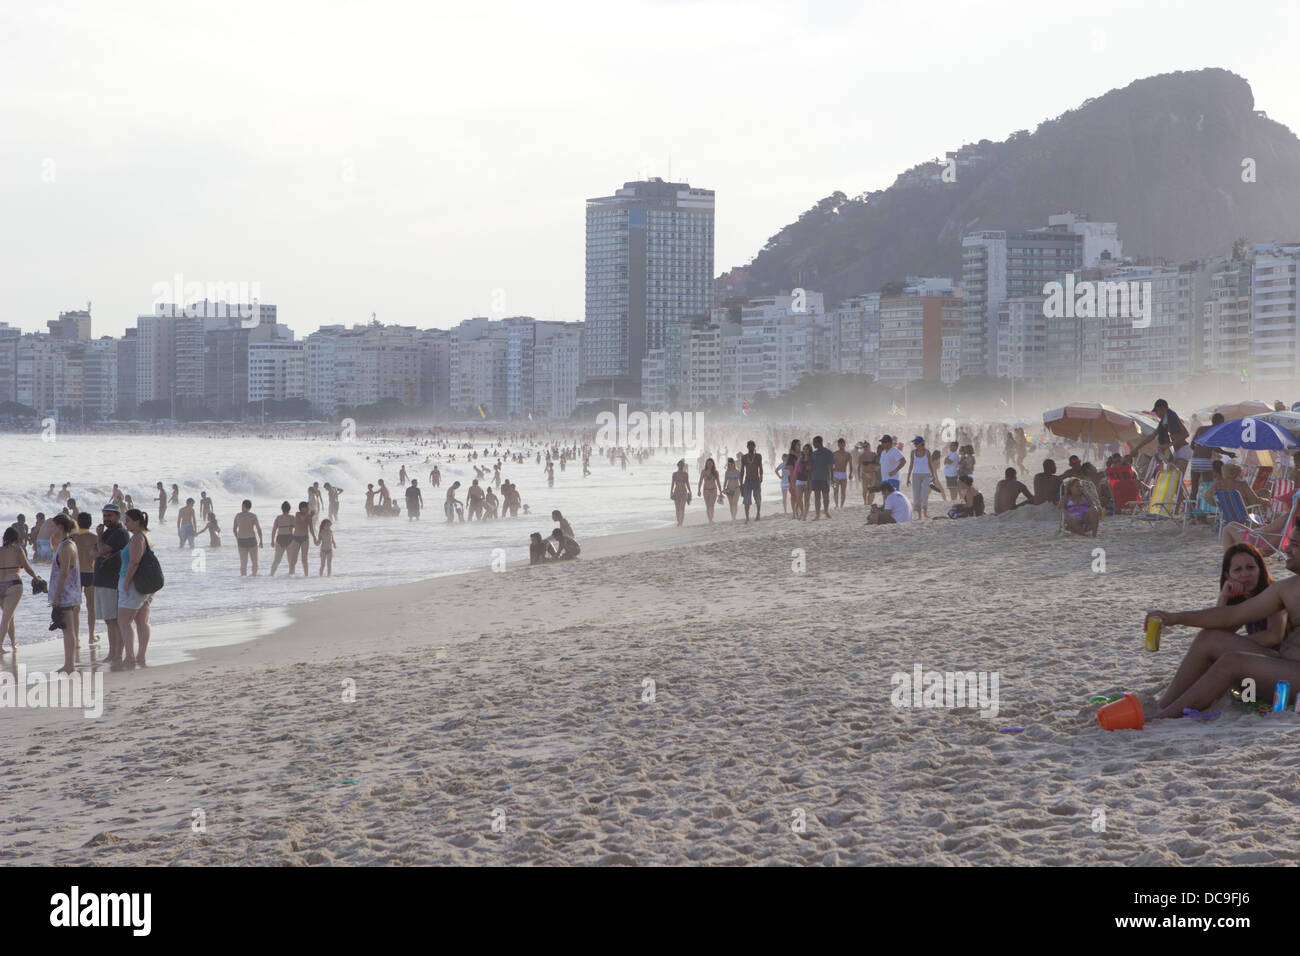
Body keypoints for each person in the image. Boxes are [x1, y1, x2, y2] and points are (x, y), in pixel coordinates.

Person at [1149, 542, 1293, 718]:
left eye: (1250, 567)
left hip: (1279, 661)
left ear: (1260, 569)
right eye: (1238, 570)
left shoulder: (1272, 592)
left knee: (1216, 646)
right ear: (1228, 575)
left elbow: (1273, 636)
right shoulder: (1242, 597)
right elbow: (1219, 631)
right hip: (1265, 662)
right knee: (1208, 638)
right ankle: (1164, 704)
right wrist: (1224, 597)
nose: (1245, 574)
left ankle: (1163, 713)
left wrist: (1229, 646)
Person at [116, 508, 154, 667]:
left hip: (133, 583)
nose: (126, 524)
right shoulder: (145, 536)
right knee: (141, 620)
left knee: (124, 621)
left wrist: (126, 582)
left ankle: (131, 656)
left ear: (137, 521)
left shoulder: (138, 537)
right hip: (144, 583)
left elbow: (134, 561)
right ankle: (140, 656)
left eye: (129, 521)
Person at [47, 514, 82, 674]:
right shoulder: (63, 544)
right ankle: (68, 664)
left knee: (68, 629)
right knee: (67, 629)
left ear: (60, 526)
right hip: (66, 593)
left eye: (53, 526)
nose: (51, 529)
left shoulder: (68, 546)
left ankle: (70, 665)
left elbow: (64, 573)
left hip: (66, 595)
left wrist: (56, 597)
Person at [0, 527, 44, 653]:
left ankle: (13, 642)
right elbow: (27, 567)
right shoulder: (18, 549)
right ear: (16, 538)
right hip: (13, 584)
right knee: (6, 617)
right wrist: (36, 578)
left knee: (9, 616)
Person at [71, 512, 99, 646]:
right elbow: (97, 556)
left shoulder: (72, 538)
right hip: (90, 573)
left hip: (76, 574)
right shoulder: (95, 538)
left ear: (77, 522)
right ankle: (91, 635)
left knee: (76, 608)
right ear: (90, 523)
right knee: (91, 607)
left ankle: (76, 639)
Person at [905, 436, 933, 518]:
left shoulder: (927, 452)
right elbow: (911, 465)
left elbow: (930, 464)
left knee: (924, 493)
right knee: (916, 494)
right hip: (916, 475)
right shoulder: (913, 452)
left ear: (921, 443)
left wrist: (933, 476)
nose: (915, 444)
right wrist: (908, 477)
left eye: (917, 443)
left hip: (926, 474)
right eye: (914, 443)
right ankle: (919, 515)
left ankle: (925, 512)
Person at [233, 500, 263, 576]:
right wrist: (261, 540)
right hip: (251, 539)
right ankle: (254, 577)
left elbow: (234, 529)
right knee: (255, 562)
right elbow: (258, 529)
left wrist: (238, 538)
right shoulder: (253, 516)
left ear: (243, 505)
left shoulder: (238, 516)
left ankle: (243, 578)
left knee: (243, 563)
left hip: (241, 540)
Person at [809, 436, 834, 520]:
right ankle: (817, 514)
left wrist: (832, 478)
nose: (813, 444)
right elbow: (811, 466)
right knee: (817, 497)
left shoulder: (828, 453)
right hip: (815, 478)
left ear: (818, 443)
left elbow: (831, 466)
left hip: (825, 478)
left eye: (814, 443)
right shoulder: (813, 454)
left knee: (826, 497)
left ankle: (826, 511)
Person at [268, 502, 296, 576]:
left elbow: (274, 529)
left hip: (280, 538)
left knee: (277, 560)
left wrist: (272, 540)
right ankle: (291, 575)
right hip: (289, 537)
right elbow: (296, 529)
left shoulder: (278, 518)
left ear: (282, 509)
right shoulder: (292, 517)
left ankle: (271, 574)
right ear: (289, 509)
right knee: (291, 561)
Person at [739, 440, 763, 522]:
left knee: (757, 497)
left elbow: (760, 467)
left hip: (756, 479)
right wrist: (741, 482)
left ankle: (758, 514)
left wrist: (761, 476)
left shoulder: (758, 456)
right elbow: (742, 470)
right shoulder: (744, 457)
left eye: (752, 446)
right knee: (746, 499)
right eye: (749, 446)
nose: (751, 447)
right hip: (748, 480)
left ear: (754, 447)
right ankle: (747, 517)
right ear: (747, 447)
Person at [698, 458, 722, 523]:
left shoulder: (715, 472)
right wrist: (699, 490)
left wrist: (720, 492)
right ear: (706, 464)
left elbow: (718, 482)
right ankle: (709, 519)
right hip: (705, 490)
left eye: (711, 463)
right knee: (707, 506)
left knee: (711, 505)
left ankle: (711, 519)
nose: (709, 465)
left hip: (713, 490)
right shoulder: (703, 471)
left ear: (713, 464)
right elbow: (700, 481)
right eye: (708, 463)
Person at [832, 438, 852, 510]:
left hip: (843, 474)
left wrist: (850, 473)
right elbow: (831, 465)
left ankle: (841, 505)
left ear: (845, 444)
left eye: (843, 444)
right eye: (840, 444)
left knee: (843, 492)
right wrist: (831, 475)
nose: (842, 445)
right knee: (835, 491)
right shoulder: (834, 454)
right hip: (836, 474)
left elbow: (850, 465)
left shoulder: (848, 454)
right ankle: (836, 504)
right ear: (838, 445)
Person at [670, 460, 692, 527]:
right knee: (677, 508)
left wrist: (690, 491)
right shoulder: (674, 474)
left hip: (684, 492)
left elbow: (687, 483)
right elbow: (673, 483)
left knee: (682, 508)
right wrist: (671, 491)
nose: (681, 466)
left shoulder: (685, 474)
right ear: (678, 465)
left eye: (682, 465)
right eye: (680, 465)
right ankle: (679, 521)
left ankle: (681, 522)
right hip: (677, 492)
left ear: (683, 466)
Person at [858, 442, 881, 506]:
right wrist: (859, 476)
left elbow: (878, 463)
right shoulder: (861, 456)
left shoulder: (874, 454)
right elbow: (859, 467)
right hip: (865, 474)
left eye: (866, 446)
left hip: (873, 473)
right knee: (865, 490)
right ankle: (865, 501)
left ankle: (869, 502)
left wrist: (878, 472)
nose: (865, 448)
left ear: (869, 447)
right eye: (864, 447)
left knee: (872, 489)